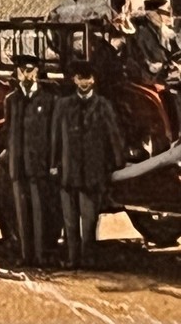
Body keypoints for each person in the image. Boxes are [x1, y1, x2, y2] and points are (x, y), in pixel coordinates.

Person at [50, 60, 124, 269]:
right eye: (80, 78)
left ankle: (88, 259)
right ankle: (73, 260)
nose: (84, 83)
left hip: (92, 173)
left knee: (89, 221)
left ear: (94, 80)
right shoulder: (63, 106)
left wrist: (117, 165)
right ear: (74, 80)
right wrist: (54, 164)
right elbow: (55, 138)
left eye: (88, 78)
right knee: (70, 222)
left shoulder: (103, 106)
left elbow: (113, 137)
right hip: (68, 171)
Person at [2, 54, 56, 267]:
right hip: (18, 164)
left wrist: (50, 162)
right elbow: (9, 132)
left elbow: (52, 135)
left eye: (31, 71)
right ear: (16, 74)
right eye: (23, 71)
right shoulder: (11, 100)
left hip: (38, 163)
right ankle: (26, 256)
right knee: (22, 212)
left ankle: (41, 255)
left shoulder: (47, 100)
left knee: (39, 210)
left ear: (37, 73)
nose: (27, 75)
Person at [127, 0, 181, 84]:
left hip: (160, 76)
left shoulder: (160, 30)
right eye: (167, 13)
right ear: (154, 14)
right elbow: (154, 58)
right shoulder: (144, 32)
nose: (170, 17)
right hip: (150, 79)